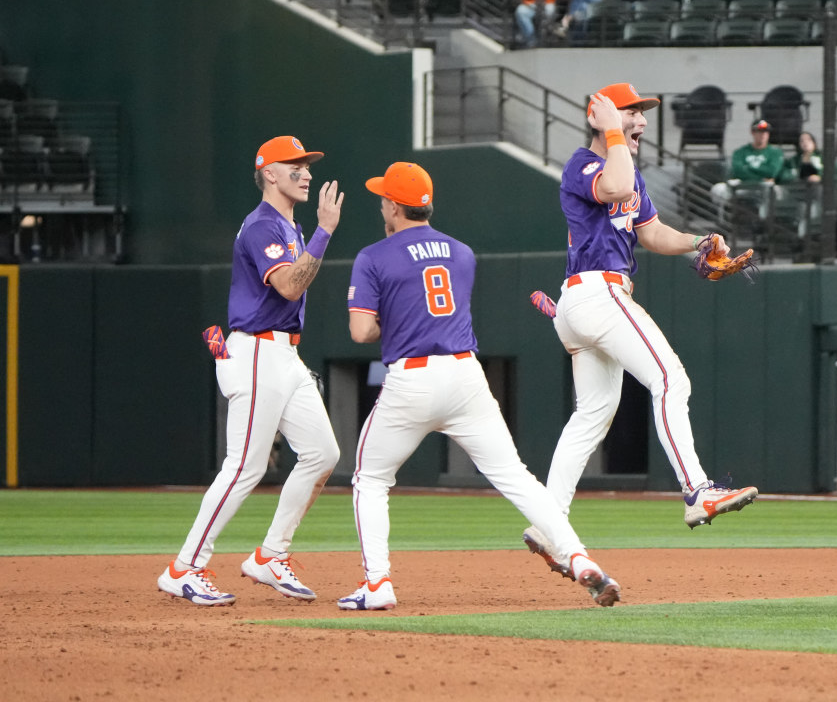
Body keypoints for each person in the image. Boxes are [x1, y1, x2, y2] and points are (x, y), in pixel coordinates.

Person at [337, 162, 621, 610]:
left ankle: (378, 584)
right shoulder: (462, 252)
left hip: (412, 377)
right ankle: (580, 558)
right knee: (516, 477)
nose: (381, 206)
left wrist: (390, 319)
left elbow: (361, 332)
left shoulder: (374, 255)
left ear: (393, 205)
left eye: (383, 199)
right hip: (467, 374)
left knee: (370, 479)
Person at [522, 82, 758, 572]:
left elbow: (650, 232)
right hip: (597, 292)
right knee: (671, 379)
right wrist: (611, 129)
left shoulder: (628, 170)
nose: (642, 121)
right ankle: (697, 490)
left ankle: (548, 524)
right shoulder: (582, 164)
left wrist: (699, 241)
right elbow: (616, 188)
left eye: (641, 114)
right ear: (601, 117)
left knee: (591, 416)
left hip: (585, 300)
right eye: (632, 112)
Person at [157, 135, 343, 606]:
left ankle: (269, 556)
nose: (306, 172)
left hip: (284, 356)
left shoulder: (287, 226)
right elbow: (287, 287)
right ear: (269, 173)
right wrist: (323, 231)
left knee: (322, 454)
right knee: (244, 467)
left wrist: (314, 233)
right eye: (295, 165)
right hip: (258, 353)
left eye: (307, 165)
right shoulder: (263, 225)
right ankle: (185, 568)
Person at [710, 120, 795, 220]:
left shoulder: (775, 152)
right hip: (742, 185)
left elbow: (772, 172)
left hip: (764, 187)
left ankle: (765, 222)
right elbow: (738, 171)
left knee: (776, 190)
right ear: (753, 133)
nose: (763, 135)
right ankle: (723, 221)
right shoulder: (741, 152)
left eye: (765, 132)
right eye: (759, 131)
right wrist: (762, 173)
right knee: (718, 189)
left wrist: (748, 168)